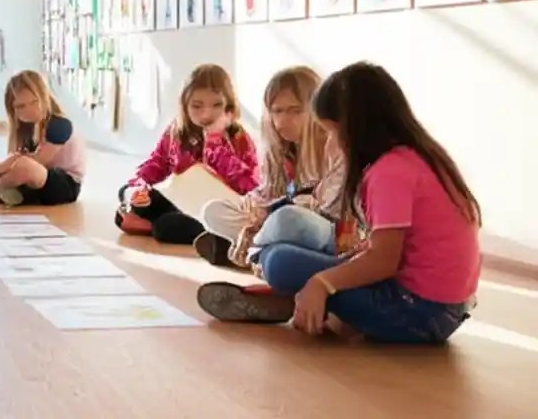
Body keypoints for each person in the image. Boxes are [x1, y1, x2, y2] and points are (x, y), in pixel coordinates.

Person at [198, 62, 481, 344]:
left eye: (333, 132)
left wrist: (322, 283)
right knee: (283, 255)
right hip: (445, 306)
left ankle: (300, 298)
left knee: (280, 262)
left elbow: (383, 261)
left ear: (357, 127)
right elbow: (383, 251)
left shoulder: (389, 171)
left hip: (419, 312)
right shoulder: (417, 156)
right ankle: (303, 300)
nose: (331, 141)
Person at [194, 66, 347, 267]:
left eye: (295, 111)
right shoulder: (278, 151)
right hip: (277, 224)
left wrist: (263, 221)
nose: (283, 120)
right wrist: (256, 205)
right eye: (277, 111)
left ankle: (254, 252)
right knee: (213, 210)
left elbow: (329, 209)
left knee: (288, 220)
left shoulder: (336, 146)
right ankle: (266, 253)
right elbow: (268, 193)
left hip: (327, 230)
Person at [116, 64, 258, 244]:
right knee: (135, 199)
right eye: (197, 106)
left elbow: (249, 186)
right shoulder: (177, 131)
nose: (206, 114)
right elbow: (157, 162)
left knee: (165, 227)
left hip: (217, 209)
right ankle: (148, 221)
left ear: (228, 106)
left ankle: (209, 234)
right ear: (185, 105)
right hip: (181, 203)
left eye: (217, 105)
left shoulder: (237, 137)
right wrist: (139, 185)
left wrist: (215, 142)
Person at [0, 70, 85, 207]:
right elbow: (12, 160)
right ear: (13, 111)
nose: (29, 110)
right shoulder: (25, 129)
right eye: (20, 106)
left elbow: (40, 161)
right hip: (28, 181)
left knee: (25, 166)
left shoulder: (60, 125)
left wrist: (4, 170)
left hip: (60, 183)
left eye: (34, 102)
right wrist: (2, 168)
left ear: (45, 98)